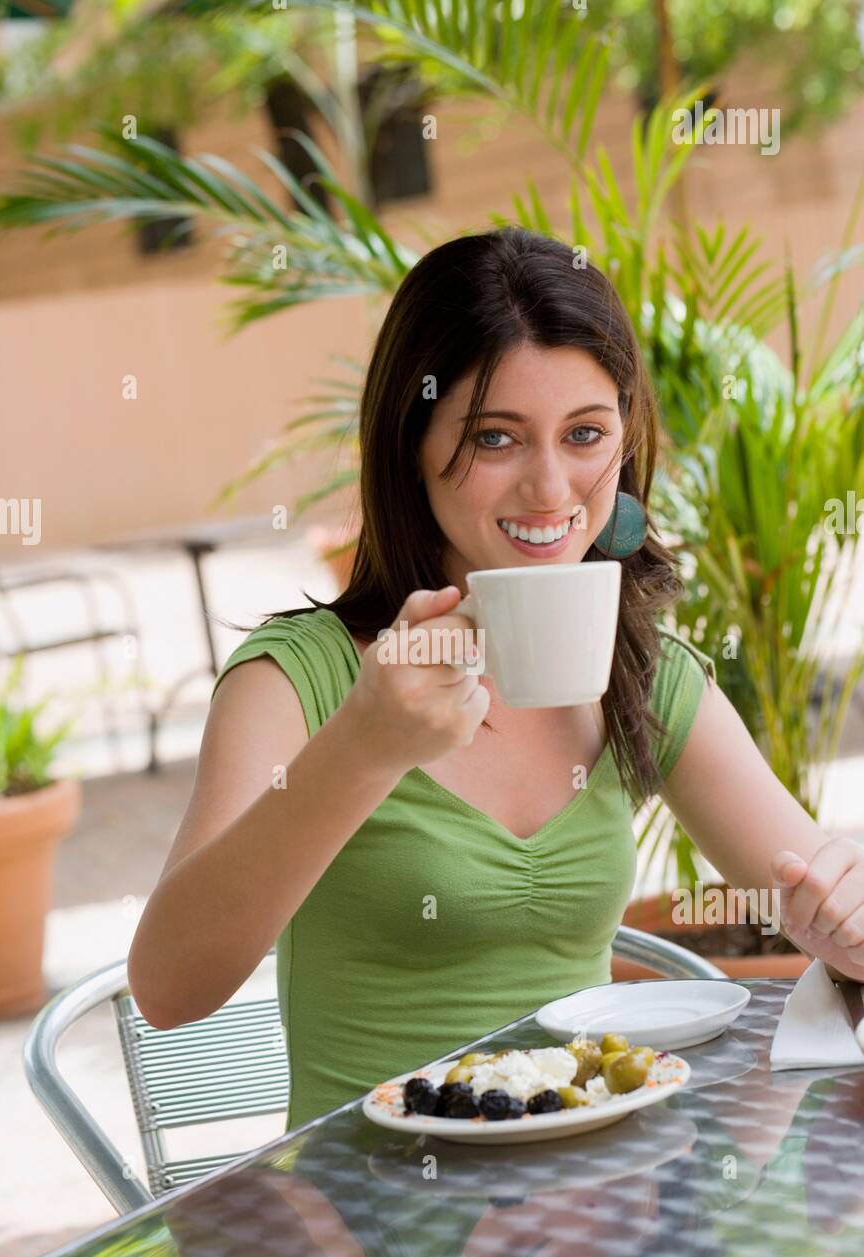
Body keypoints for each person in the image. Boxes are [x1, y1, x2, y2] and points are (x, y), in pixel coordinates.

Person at [128, 226, 864, 1138]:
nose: (551, 489)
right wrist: (364, 748)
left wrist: (844, 915)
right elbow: (170, 988)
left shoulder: (641, 672)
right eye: (495, 438)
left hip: (590, 1193)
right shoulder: (300, 678)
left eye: (585, 434)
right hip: (372, 1198)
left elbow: (815, 894)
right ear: (412, 445)